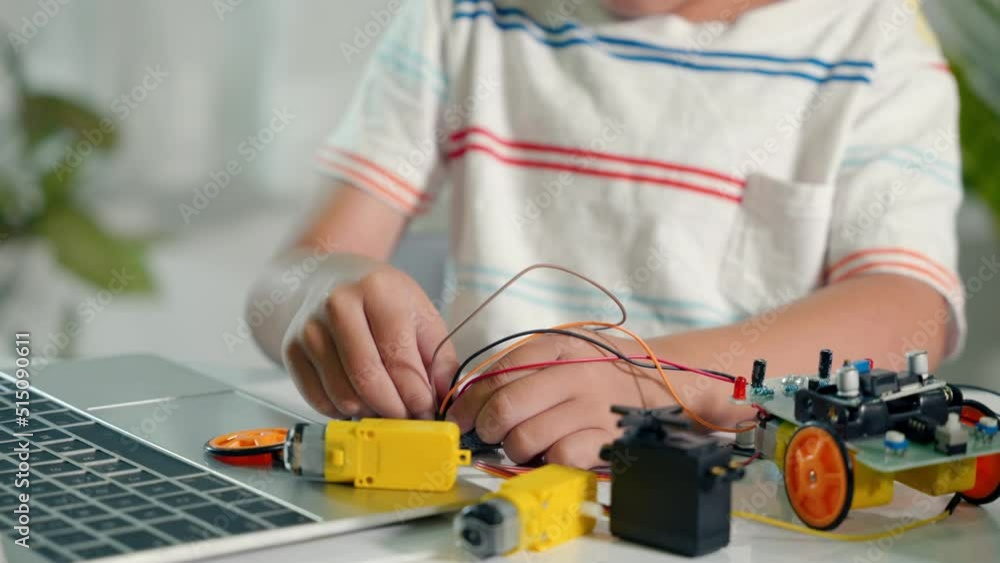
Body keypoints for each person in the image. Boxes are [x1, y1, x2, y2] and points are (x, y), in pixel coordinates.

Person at [248, 0, 965, 469]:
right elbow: (285, 278)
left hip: (737, 522)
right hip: (470, 500)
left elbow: (910, 309)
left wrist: (655, 377)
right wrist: (320, 293)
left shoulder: (878, 45)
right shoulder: (462, 15)